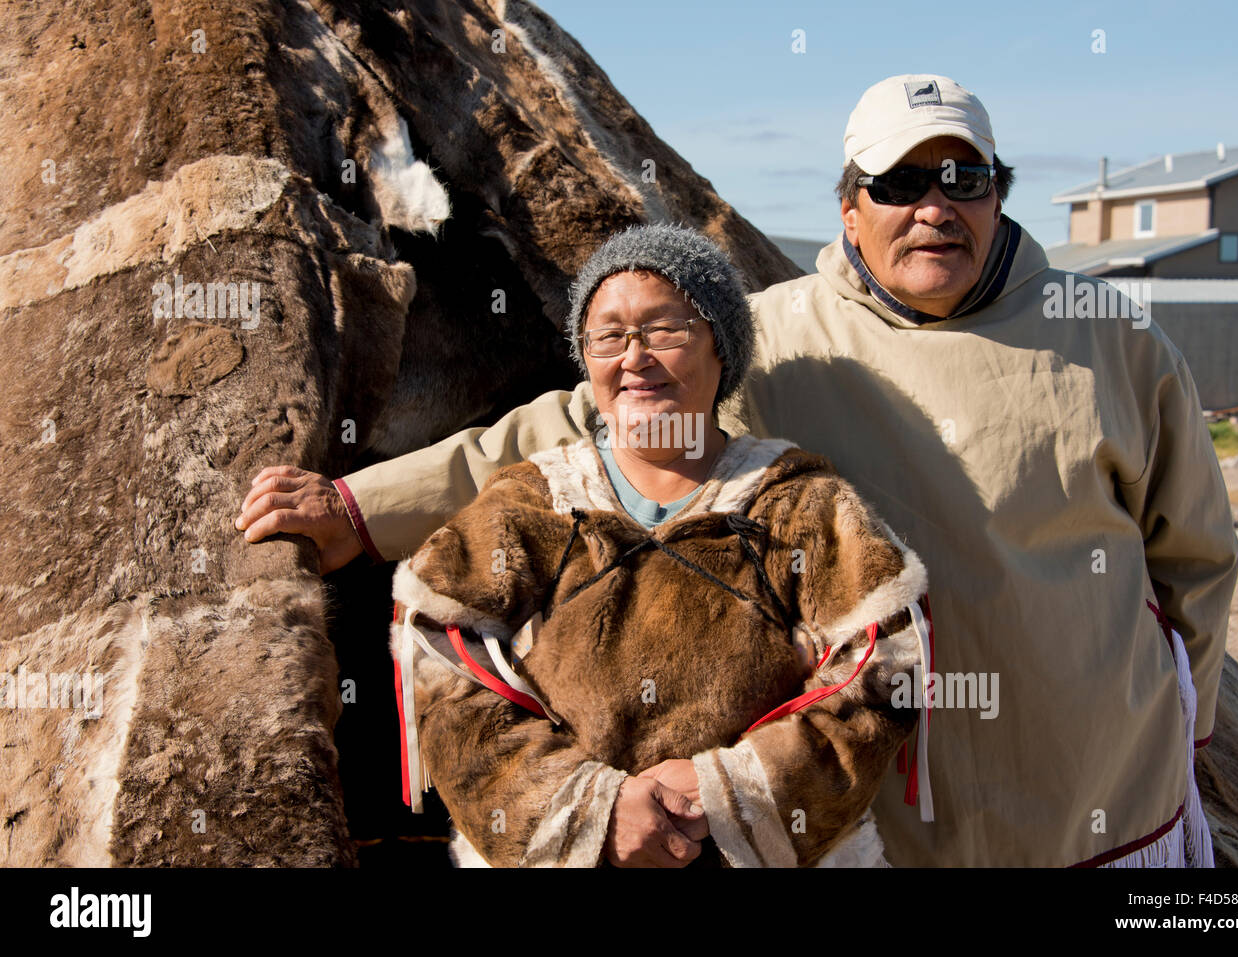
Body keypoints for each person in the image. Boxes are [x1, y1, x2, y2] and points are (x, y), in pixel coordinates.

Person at [238, 75, 1238, 867]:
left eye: (962, 179)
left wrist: (1179, 732)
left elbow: (1194, 561)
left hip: (1099, 798)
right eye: (898, 184)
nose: (933, 207)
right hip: (891, 811)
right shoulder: (778, 337)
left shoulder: (1110, 338)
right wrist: (361, 507)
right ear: (850, 209)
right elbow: (576, 423)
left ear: (994, 193)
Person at [390, 224, 930, 867]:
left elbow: (887, 655)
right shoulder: (538, 500)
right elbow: (435, 645)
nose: (634, 357)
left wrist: (728, 794)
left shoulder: (795, 502)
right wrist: (586, 809)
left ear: (721, 350)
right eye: (608, 336)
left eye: (666, 330)